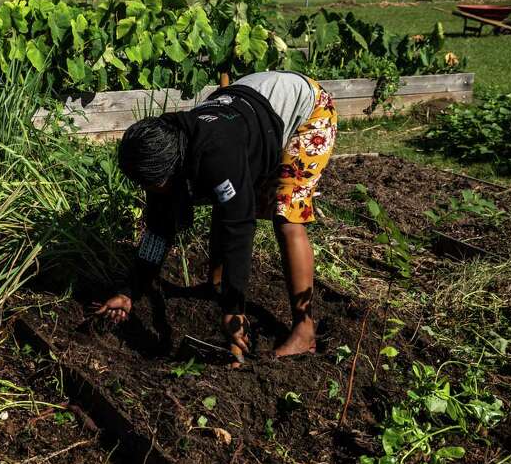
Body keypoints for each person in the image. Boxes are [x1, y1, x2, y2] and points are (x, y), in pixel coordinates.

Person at [98, 71, 338, 358]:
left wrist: (233, 311)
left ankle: (304, 329)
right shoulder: (162, 152)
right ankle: (215, 285)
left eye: (153, 184)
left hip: (305, 107)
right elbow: (158, 230)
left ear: (173, 168)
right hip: (251, 98)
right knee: (223, 195)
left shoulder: (217, 156)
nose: (150, 190)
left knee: (286, 215)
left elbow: (240, 226)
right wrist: (129, 291)